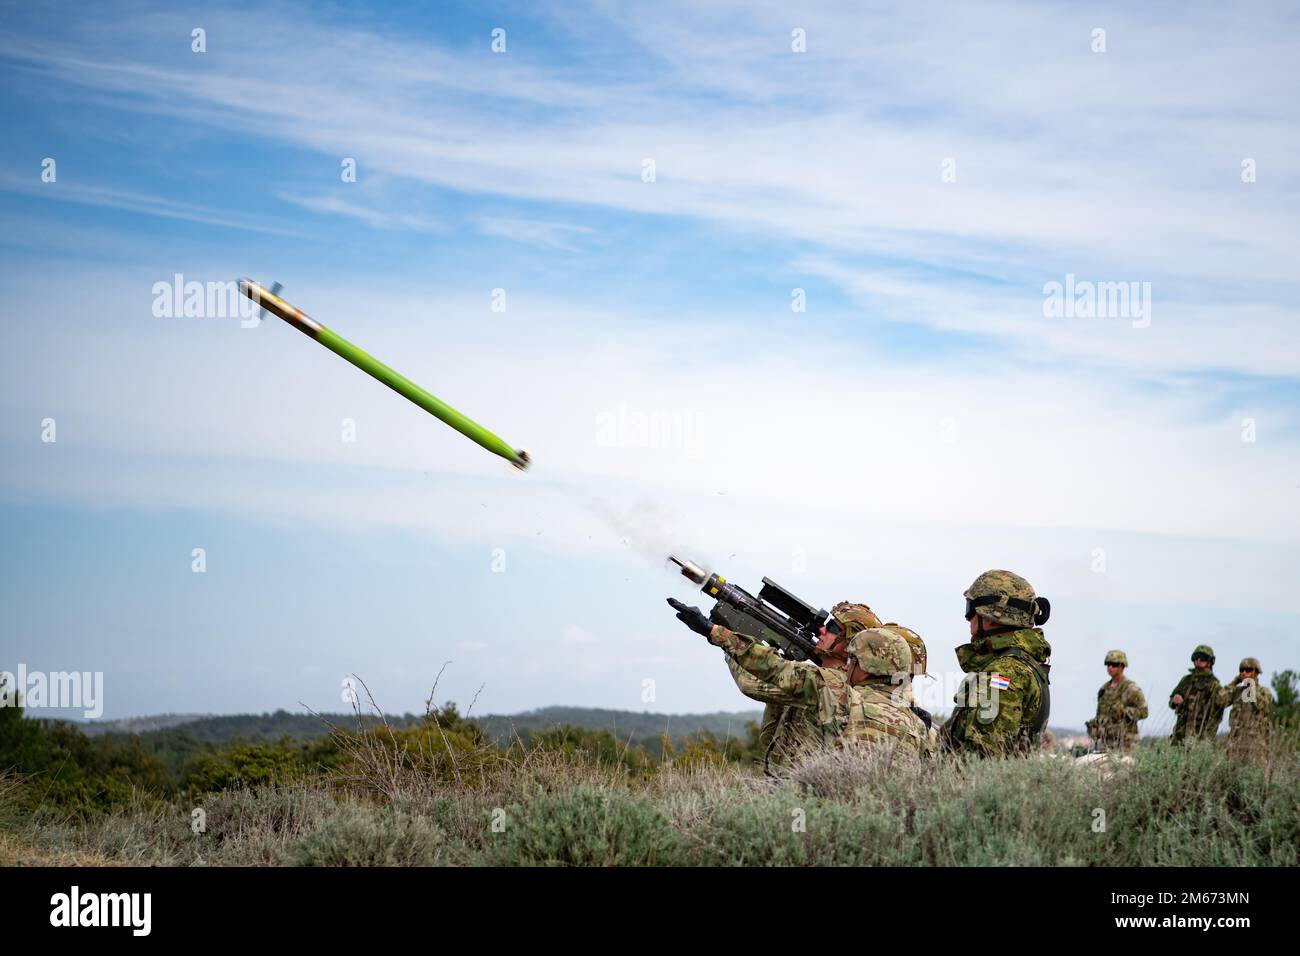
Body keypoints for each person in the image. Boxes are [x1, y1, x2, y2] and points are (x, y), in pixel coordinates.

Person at [667, 598, 932, 768]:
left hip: (805, 785)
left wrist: (717, 634)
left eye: (835, 629)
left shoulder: (834, 686)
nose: (823, 631)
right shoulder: (914, 721)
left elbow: (762, 677)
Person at [942, 569, 1052, 756]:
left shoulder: (1005, 672)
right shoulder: (1018, 664)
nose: (968, 618)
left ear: (993, 616)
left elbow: (983, 757)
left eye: (970, 610)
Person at [1085, 650, 1148, 752]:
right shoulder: (1104, 689)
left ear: (1122, 666)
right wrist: (1094, 725)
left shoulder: (1131, 689)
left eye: (1114, 664)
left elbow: (1144, 712)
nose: (1110, 667)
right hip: (1105, 744)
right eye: (1108, 664)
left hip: (1125, 745)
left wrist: (1124, 711)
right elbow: (1100, 714)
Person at [1218, 657, 1273, 761]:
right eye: (1241, 670)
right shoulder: (1237, 691)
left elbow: (1261, 706)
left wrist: (1251, 686)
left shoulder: (1264, 692)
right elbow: (1220, 701)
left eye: (1248, 670)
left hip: (1256, 745)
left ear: (1256, 672)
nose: (1244, 672)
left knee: (1255, 774)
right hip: (1236, 743)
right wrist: (1234, 682)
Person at [1169, 645, 1223, 744]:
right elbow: (1171, 702)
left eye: (1202, 657)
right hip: (1180, 735)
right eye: (1196, 657)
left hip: (1200, 738)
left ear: (1210, 661)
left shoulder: (1214, 685)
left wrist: (1207, 738)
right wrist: (1175, 699)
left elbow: (1217, 716)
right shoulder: (1186, 680)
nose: (1198, 660)